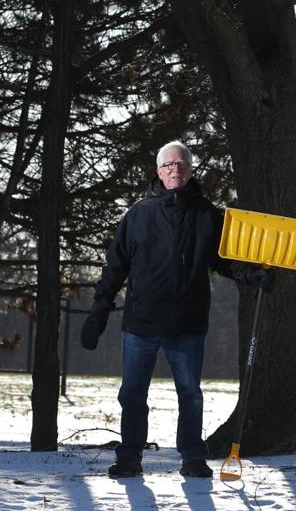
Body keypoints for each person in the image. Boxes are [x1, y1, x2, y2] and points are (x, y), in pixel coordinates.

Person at [80, 140, 275, 479]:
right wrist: (98, 312)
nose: (176, 170)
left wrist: (253, 275)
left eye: (182, 164)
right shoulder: (138, 215)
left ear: (190, 170)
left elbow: (225, 261)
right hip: (141, 324)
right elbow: (115, 267)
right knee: (132, 393)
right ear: (158, 172)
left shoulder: (207, 215)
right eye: (169, 165)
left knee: (190, 394)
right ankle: (129, 457)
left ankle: (193, 457)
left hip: (187, 324)